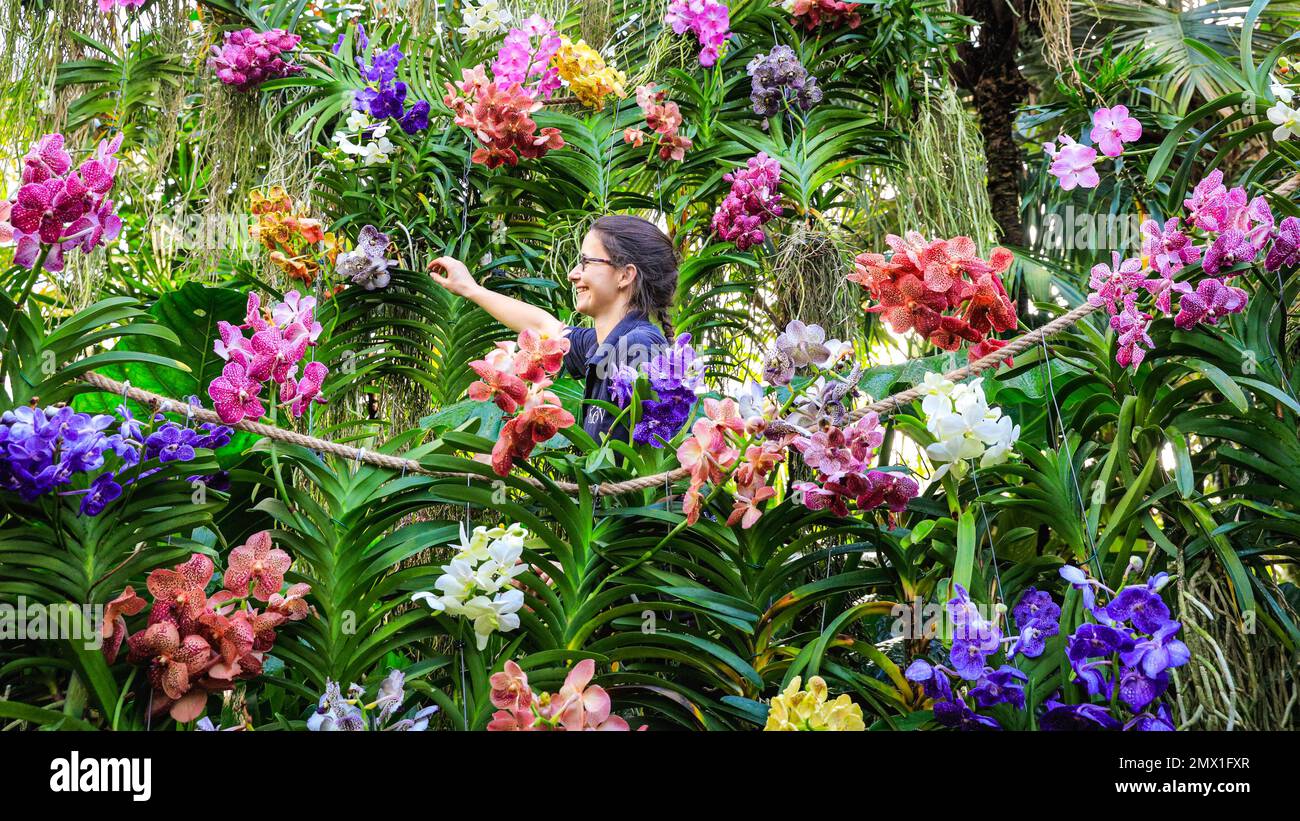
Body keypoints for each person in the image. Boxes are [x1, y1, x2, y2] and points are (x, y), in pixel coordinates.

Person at [428, 214, 677, 442]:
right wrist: (470, 289)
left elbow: (651, 457)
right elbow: (543, 326)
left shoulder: (638, 347)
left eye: (586, 263)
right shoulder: (604, 344)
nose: (572, 274)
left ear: (625, 275)